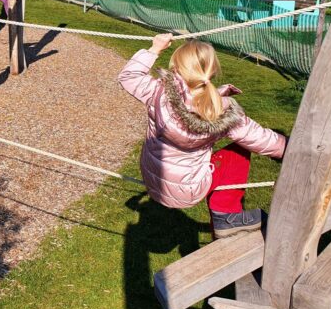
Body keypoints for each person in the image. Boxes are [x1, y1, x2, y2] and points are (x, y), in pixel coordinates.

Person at [118, 34, 286, 238]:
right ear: (212, 70)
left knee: (238, 146)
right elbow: (260, 139)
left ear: (177, 68)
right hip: (190, 189)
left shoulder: (157, 93)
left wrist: (155, 48)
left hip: (154, 182)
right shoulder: (221, 111)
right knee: (239, 150)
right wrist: (289, 148)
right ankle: (225, 214)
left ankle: (225, 219)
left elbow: (129, 76)